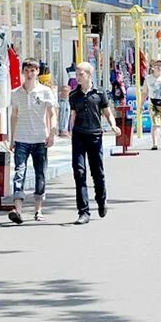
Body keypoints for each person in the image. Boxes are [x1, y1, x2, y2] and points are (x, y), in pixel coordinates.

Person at [8, 59, 57, 224]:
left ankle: (38, 209)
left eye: (33, 71)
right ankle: (18, 210)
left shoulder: (45, 91)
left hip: (39, 139)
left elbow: (51, 113)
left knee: (40, 173)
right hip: (21, 138)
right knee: (19, 173)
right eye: (27, 71)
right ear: (23, 72)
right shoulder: (15, 93)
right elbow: (14, 115)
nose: (29, 74)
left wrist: (52, 133)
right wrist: (12, 138)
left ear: (37, 72)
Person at [69, 61, 118, 225]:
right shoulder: (73, 95)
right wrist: (68, 131)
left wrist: (113, 125)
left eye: (80, 74)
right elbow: (73, 115)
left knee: (97, 172)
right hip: (79, 136)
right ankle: (83, 211)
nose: (77, 77)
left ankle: (101, 199)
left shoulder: (99, 94)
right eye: (76, 74)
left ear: (89, 75)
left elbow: (107, 112)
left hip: (95, 136)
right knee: (79, 172)